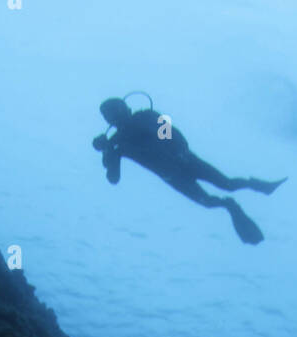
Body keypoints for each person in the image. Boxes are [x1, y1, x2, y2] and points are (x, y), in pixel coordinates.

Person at [93, 96, 286, 244]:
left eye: (115, 111)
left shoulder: (146, 117)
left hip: (186, 162)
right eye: (110, 115)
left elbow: (173, 134)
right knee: (211, 200)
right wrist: (108, 151)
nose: (115, 116)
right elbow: (113, 178)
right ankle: (231, 206)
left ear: (125, 108)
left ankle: (260, 187)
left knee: (227, 184)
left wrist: (179, 150)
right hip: (174, 175)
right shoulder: (117, 143)